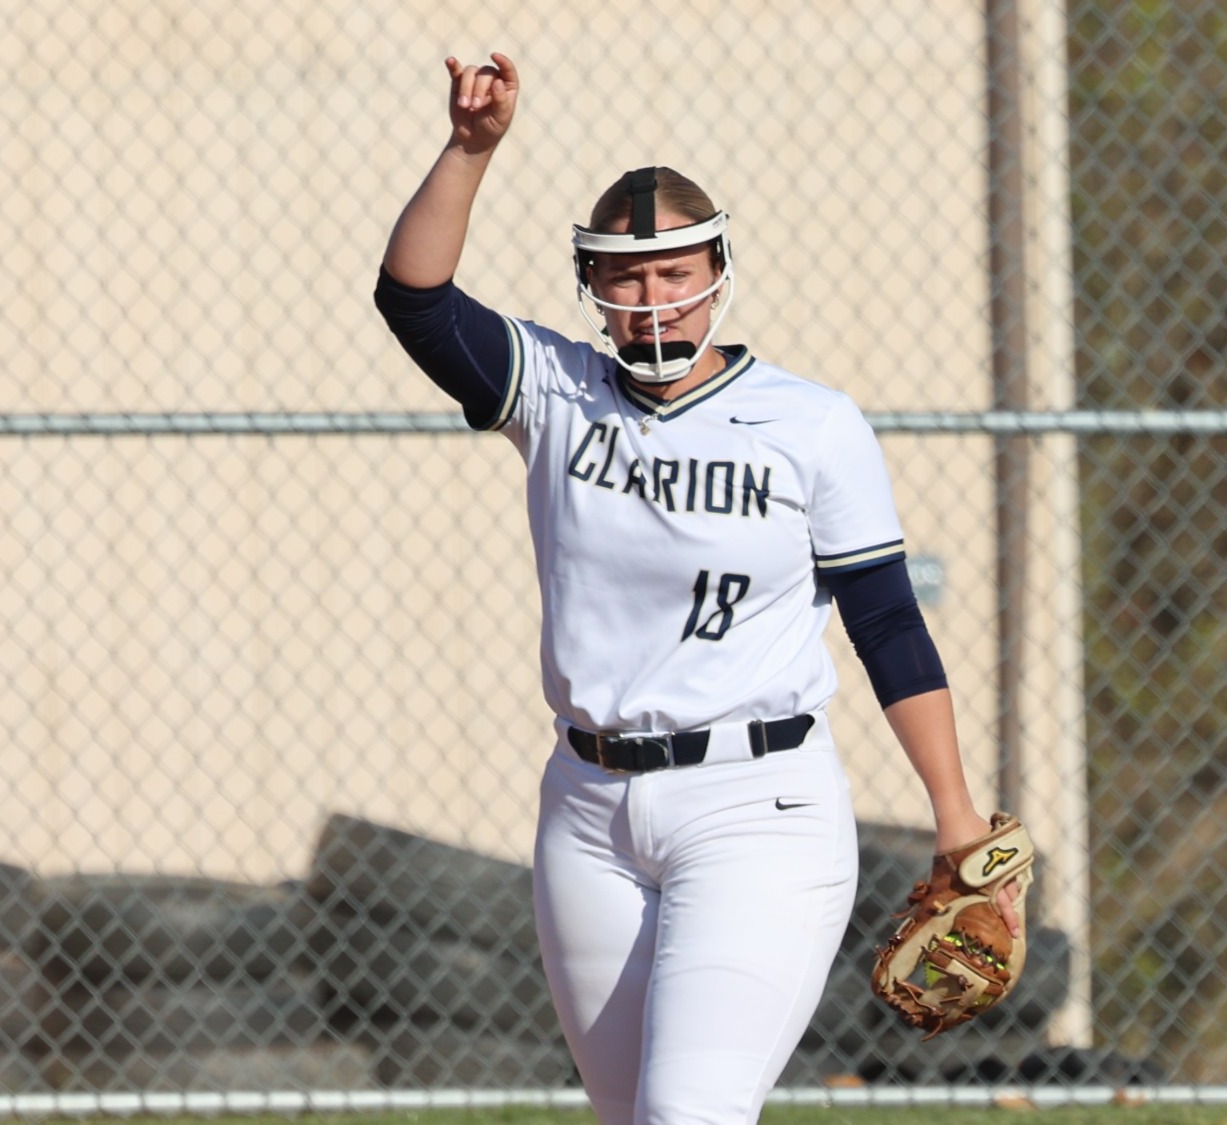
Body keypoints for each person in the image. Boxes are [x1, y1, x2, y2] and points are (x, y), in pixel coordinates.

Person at [373, 52, 1021, 1125]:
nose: (651, 298)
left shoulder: (809, 423)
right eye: (625, 277)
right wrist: (469, 150)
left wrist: (954, 816)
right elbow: (415, 301)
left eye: (674, 271)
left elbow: (887, 624)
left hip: (755, 802)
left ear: (718, 271)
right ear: (593, 287)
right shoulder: (561, 394)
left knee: (689, 1115)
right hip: (586, 808)